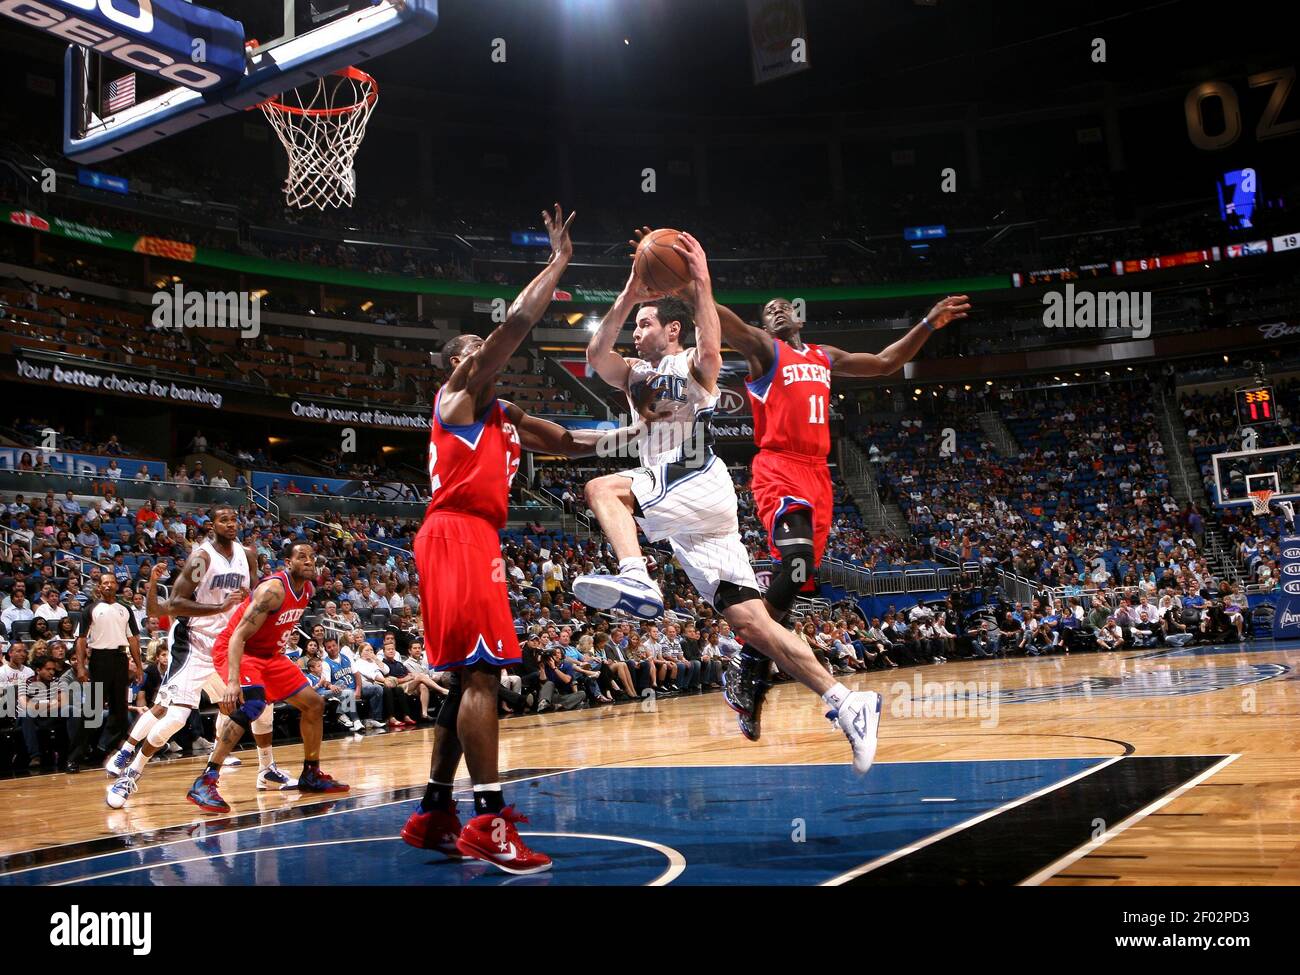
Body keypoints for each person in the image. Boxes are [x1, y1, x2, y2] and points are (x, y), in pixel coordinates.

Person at [572, 232, 882, 773]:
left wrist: (702, 278)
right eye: (636, 325)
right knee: (754, 624)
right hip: (691, 515)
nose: (638, 332)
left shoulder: (691, 360)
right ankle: (846, 701)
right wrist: (630, 288)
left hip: (694, 478)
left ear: (672, 330)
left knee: (601, 489)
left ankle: (636, 576)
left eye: (647, 323)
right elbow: (597, 355)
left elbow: (713, 347)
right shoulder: (634, 376)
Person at [399, 204, 644, 875]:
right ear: (455, 365)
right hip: (456, 533)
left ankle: (433, 810)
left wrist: (634, 435)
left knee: (463, 680)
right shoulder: (458, 395)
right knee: (482, 673)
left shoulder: (502, 413)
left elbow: (565, 440)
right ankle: (487, 819)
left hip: (469, 536)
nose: (483, 351)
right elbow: (514, 325)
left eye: (480, 349)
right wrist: (558, 263)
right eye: (470, 349)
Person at [704, 265, 969, 737]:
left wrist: (928, 324)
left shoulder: (825, 356)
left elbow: (887, 362)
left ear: (800, 317)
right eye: (769, 311)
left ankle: (750, 673)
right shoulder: (766, 350)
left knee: (800, 576)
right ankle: (749, 663)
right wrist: (692, 281)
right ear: (766, 327)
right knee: (798, 557)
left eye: (783, 306)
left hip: (818, 475)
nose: (777, 310)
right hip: (779, 465)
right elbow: (726, 322)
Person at [107, 507, 298, 808]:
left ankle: (266, 770)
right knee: (175, 717)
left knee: (262, 703)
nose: (231, 524)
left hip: (229, 643)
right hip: (194, 641)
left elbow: (254, 601)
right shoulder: (202, 558)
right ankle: (130, 773)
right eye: (224, 520)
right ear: (212, 526)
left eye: (234, 519)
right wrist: (219, 608)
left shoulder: (247, 554)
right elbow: (175, 603)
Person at [186, 543, 348, 813]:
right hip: (238, 649)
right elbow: (237, 635)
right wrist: (233, 681)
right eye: (302, 557)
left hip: (270, 655)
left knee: (315, 704)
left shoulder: (307, 590)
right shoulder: (272, 590)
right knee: (252, 705)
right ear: (288, 562)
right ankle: (205, 780)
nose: (309, 562)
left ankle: (311, 773)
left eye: (312, 558)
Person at [64, 575, 142, 773]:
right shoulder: (90, 609)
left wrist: (139, 666)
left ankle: (100, 752)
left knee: (121, 715)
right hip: (99, 660)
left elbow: (133, 639)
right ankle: (74, 757)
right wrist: (81, 667)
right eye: (104, 583)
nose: (108, 585)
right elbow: (81, 640)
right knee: (91, 711)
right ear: (99, 587)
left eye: (112, 582)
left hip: (120, 659)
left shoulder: (125, 609)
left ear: (117, 586)